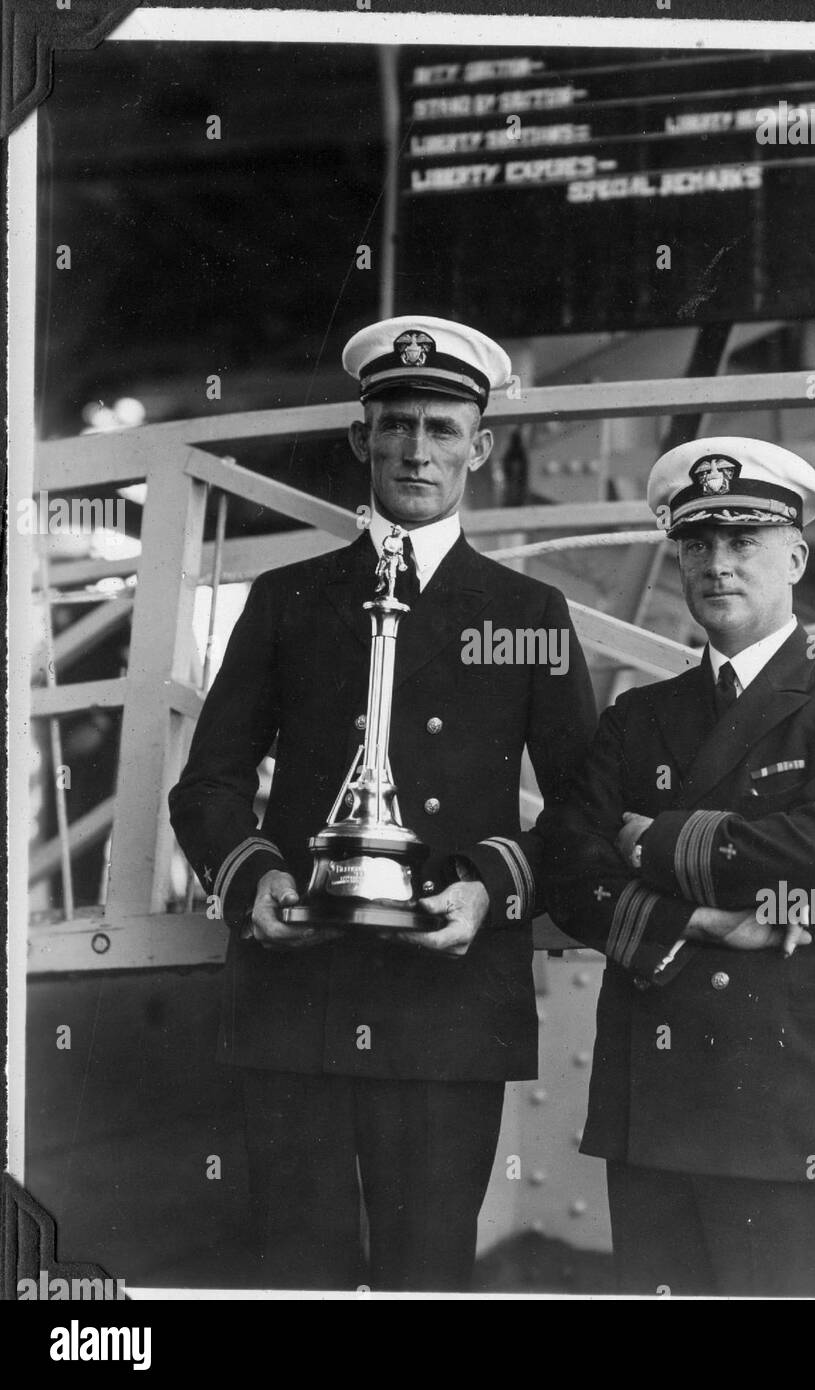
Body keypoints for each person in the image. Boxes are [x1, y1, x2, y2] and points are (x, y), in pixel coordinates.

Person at [169, 315, 596, 1291]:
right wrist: (255, 879)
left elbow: (583, 806)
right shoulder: (286, 601)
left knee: (426, 1273)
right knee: (296, 1271)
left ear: (479, 447)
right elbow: (211, 781)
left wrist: (493, 887)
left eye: (442, 427)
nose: (416, 448)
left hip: (445, 1003)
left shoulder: (529, 616)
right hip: (296, 994)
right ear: (362, 437)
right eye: (395, 422)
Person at [540, 436, 815, 1297]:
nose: (717, 565)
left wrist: (651, 841)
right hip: (659, 1096)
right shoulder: (638, 717)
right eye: (697, 545)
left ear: (794, 555)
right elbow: (564, 863)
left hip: (793, 1095)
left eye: (742, 542)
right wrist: (698, 918)